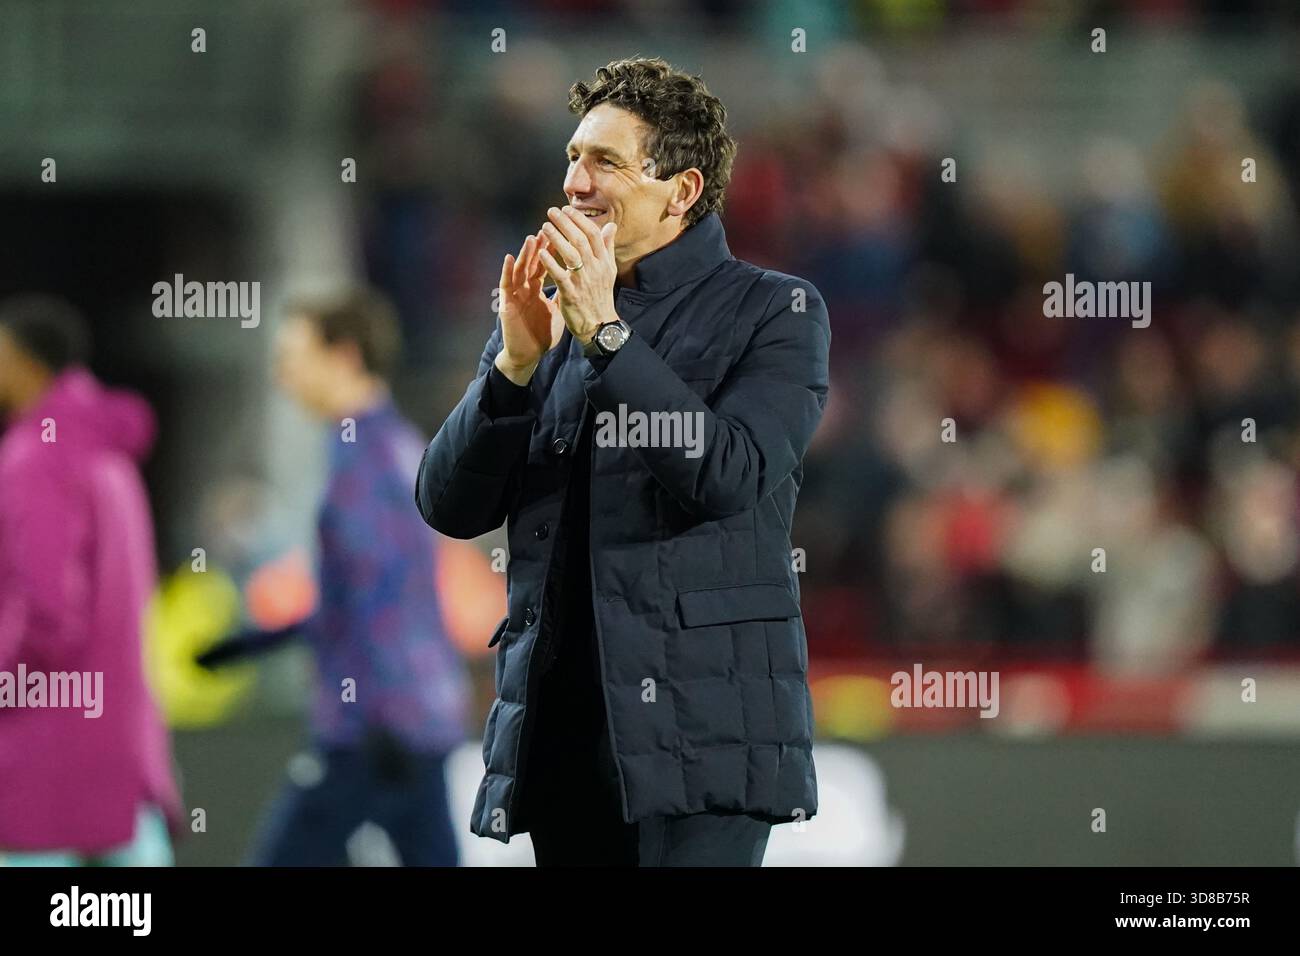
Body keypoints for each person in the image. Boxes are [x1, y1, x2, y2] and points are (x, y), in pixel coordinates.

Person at [416, 57, 831, 866]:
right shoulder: (547, 315)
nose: (574, 182)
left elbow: (728, 475)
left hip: (703, 738)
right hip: (561, 739)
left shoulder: (774, 310)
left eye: (604, 160)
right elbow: (448, 506)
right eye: (573, 156)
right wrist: (513, 369)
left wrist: (608, 337)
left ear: (679, 190)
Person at [241, 288, 469, 866]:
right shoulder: (391, 446)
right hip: (414, 715)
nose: (283, 374)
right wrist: (256, 641)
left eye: (294, 355)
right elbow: (359, 596)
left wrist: (384, 714)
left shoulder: (362, 460)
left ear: (342, 354)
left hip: (372, 725)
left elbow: (379, 593)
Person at [0, 293, 181, 866]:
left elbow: (47, 619)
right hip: (122, 746)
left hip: (43, 756)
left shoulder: (35, 458)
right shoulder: (109, 455)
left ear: (26, 362)